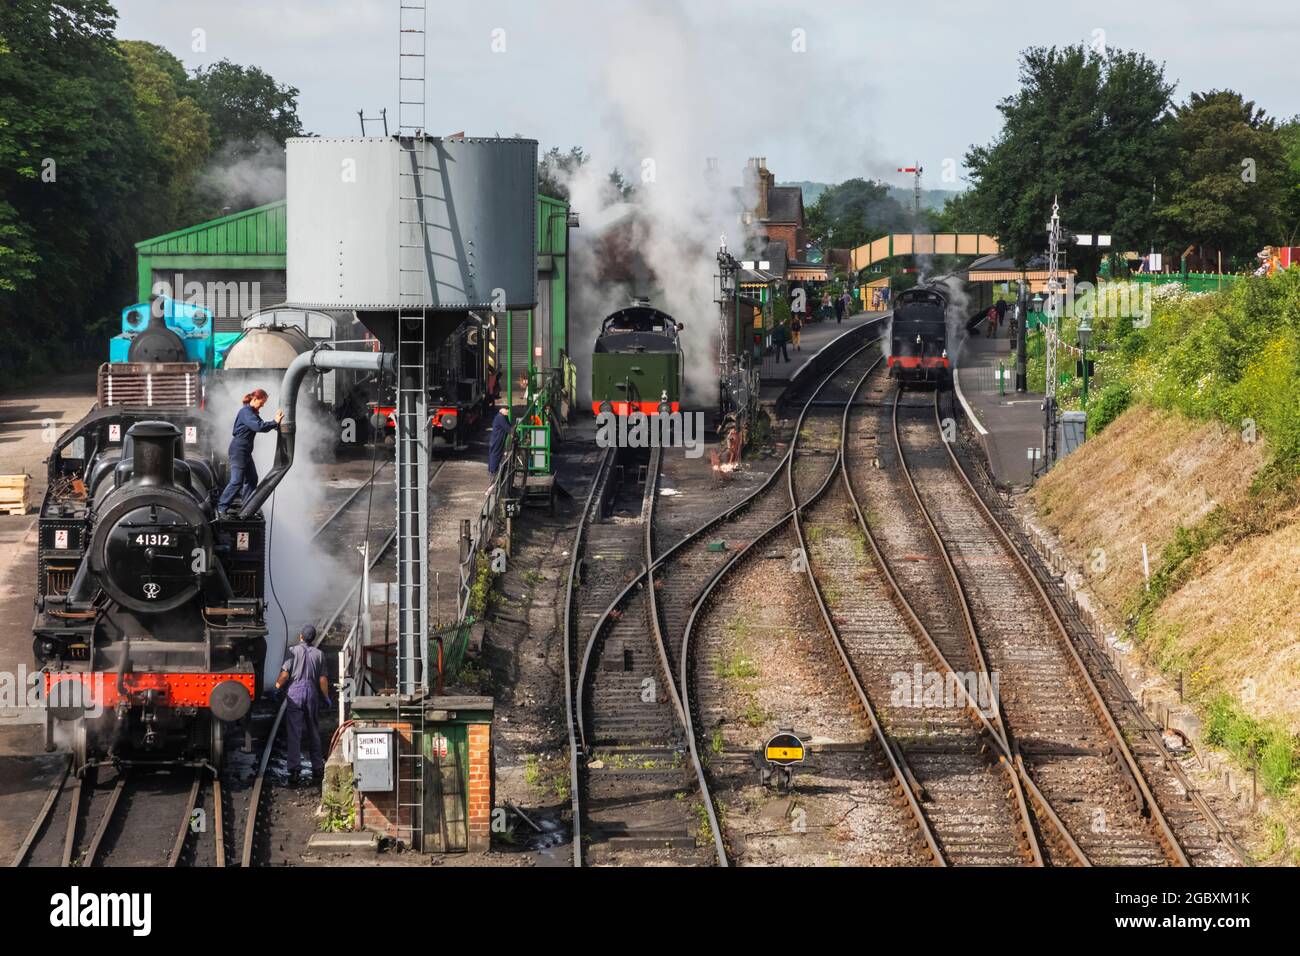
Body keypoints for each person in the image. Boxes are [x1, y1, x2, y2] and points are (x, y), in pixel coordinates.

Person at [273, 623, 331, 787]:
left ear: (301, 636)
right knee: (313, 730)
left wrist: (277, 687)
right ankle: (318, 768)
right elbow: (322, 680)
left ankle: (294, 771)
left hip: (295, 692)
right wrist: (326, 698)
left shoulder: (292, 651)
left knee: (294, 732)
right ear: (313, 638)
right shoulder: (319, 654)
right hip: (311, 693)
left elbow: (284, 675)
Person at [217, 388, 283, 517]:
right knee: (237, 481)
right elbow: (258, 426)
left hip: (245, 451)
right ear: (254, 399)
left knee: (252, 479)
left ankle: (246, 505)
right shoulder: (246, 412)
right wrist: (274, 422)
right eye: (261, 402)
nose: (263, 405)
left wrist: (275, 425)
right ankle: (222, 507)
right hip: (239, 450)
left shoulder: (251, 412)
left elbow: (261, 425)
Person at [488, 405, 511, 477]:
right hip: (496, 439)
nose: (507, 411)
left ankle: (493, 470)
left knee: (496, 453)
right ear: (501, 410)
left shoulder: (504, 417)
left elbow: (509, 426)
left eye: (508, 409)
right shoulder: (500, 417)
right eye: (506, 409)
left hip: (499, 439)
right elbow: (507, 428)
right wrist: (513, 433)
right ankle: (493, 471)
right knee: (495, 454)